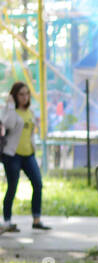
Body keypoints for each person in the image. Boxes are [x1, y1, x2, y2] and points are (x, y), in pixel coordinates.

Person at [1, 83, 48, 232]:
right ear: (15, 95)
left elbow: (31, 132)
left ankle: (36, 219)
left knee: (38, 183)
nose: (25, 97)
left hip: (29, 154)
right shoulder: (9, 110)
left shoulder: (30, 112)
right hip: (12, 155)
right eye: (21, 94)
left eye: (27, 94)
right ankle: (7, 221)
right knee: (13, 187)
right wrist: (10, 105)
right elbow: (8, 125)